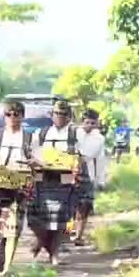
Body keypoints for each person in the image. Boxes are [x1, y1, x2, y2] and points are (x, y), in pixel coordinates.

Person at [29, 99, 85, 265]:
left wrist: (76, 163)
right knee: (36, 219)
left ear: (69, 116)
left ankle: (55, 252)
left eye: (63, 114)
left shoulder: (76, 134)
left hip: (66, 179)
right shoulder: (41, 133)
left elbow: (84, 155)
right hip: (43, 178)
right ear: (51, 115)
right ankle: (42, 242)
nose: (59, 117)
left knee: (63, 219)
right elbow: (31, 153)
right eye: (56, 114)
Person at [0, 98, 34, 272]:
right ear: (4, 116)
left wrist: (33, 162)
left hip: (20, 185)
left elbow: (37, 158)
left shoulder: (29, 137)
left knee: (15, 225)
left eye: (16, 114)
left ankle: (8, 266)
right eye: (9, 114)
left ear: (22, 116)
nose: (13, 117)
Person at [72, 109, 108, 247]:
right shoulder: (74, 133)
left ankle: (78, 236)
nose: (89, 126)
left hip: (88, 173)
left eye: (93, 123)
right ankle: (68, 231)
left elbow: (100, 160)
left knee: (85, 206)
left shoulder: (99, 139)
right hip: (71, 171)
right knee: (70, 205)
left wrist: (101, 180)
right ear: (82, 122)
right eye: (87, 122)